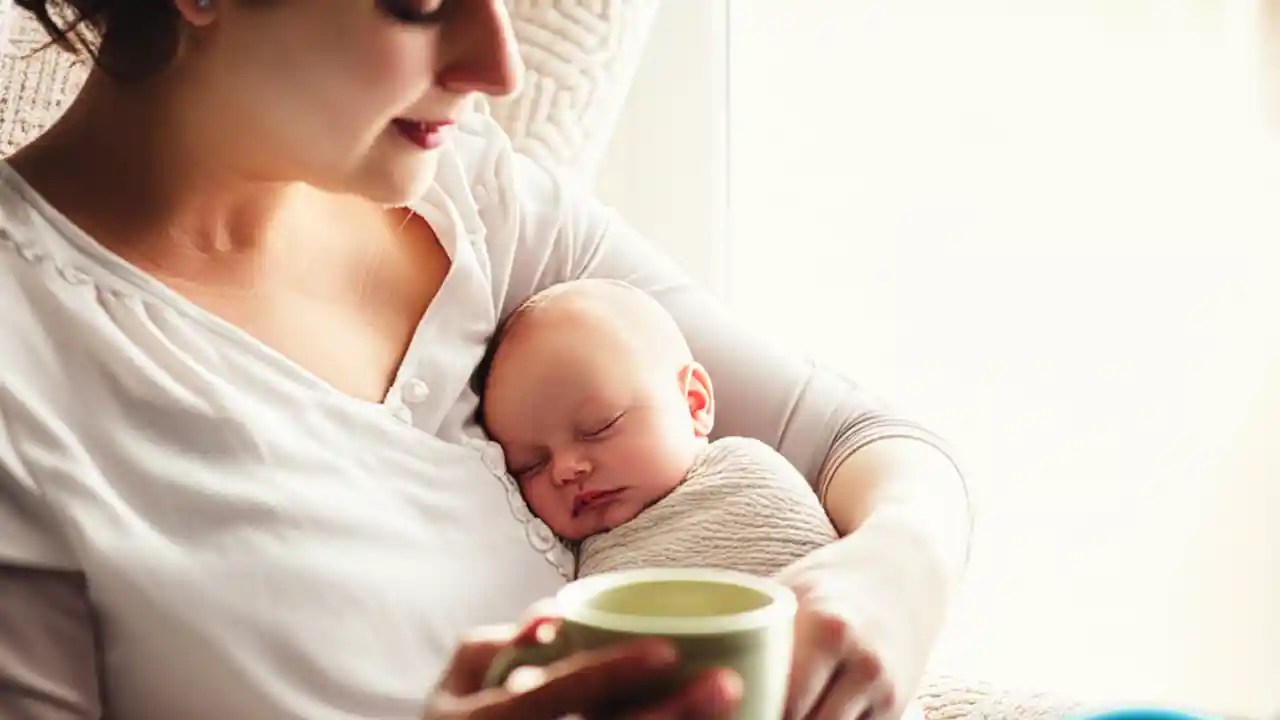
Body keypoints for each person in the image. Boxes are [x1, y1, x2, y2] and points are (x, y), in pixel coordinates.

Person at [0, 1, 971, 718]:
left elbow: (855, 438)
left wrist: (893, 571)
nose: (498, 64)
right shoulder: (27, 360)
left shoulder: (479, 204)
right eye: (422, 5)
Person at [475, 278, 838, 579]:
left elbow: (828, 587)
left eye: (600, 426)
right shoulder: (568, 563)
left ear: (693, 403)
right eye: (531, 464)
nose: (566, 468)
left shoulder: (750, 476)